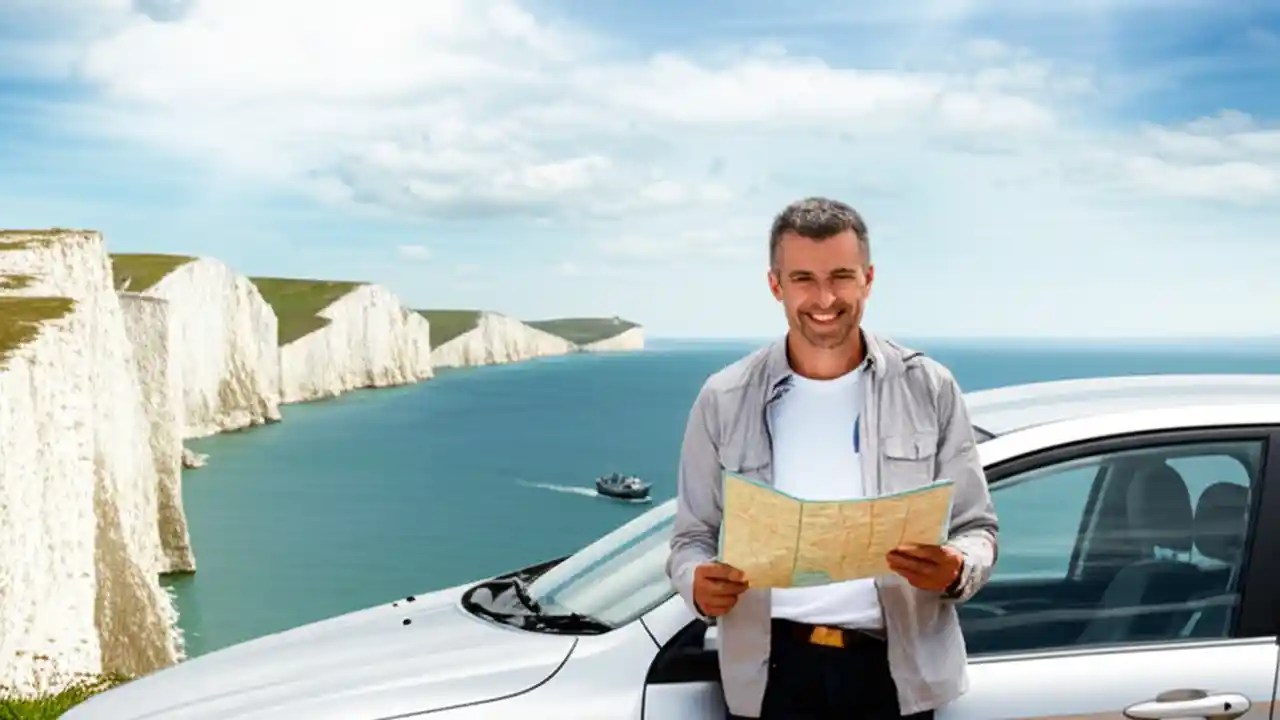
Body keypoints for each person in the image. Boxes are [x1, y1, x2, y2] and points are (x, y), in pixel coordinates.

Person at [665, 197, 999, 719]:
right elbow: (690, 539)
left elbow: (977, 528)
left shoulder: (929, 387)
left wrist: (955, 569)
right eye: (804, 279)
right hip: (771, 679)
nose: (824, 298)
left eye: (841, 276)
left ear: (868, 278)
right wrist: (697, 585)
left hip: (895, 678)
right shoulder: (724, 397)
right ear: (775, 285)